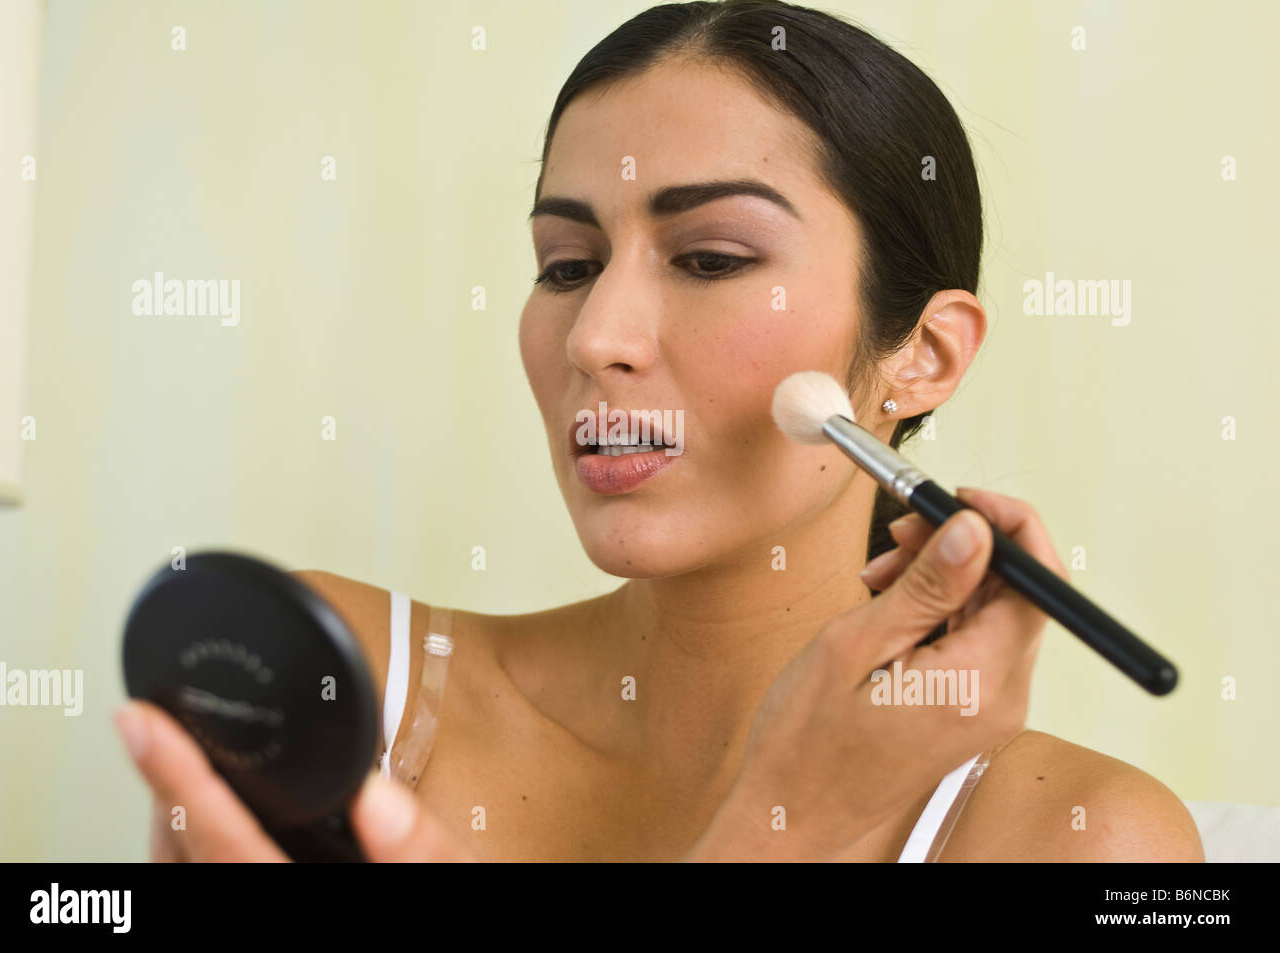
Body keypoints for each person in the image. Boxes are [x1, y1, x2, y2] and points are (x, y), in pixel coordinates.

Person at [114, 0, 1203, 862]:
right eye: (566, 265)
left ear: (922, 355)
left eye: (711, 259)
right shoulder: (338, 688)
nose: (596, 335)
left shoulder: (1086, 837)